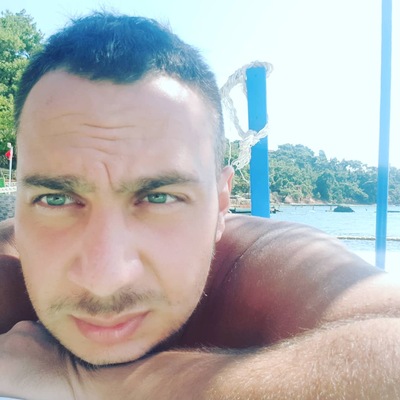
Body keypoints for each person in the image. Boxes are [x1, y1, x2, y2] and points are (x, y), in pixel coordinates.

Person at [0, 11, 399, 399]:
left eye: (159, 197)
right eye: (55, 199)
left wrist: (89, 382)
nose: (105, 279)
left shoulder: (267, 265)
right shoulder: (9, 267)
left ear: (221, 204)